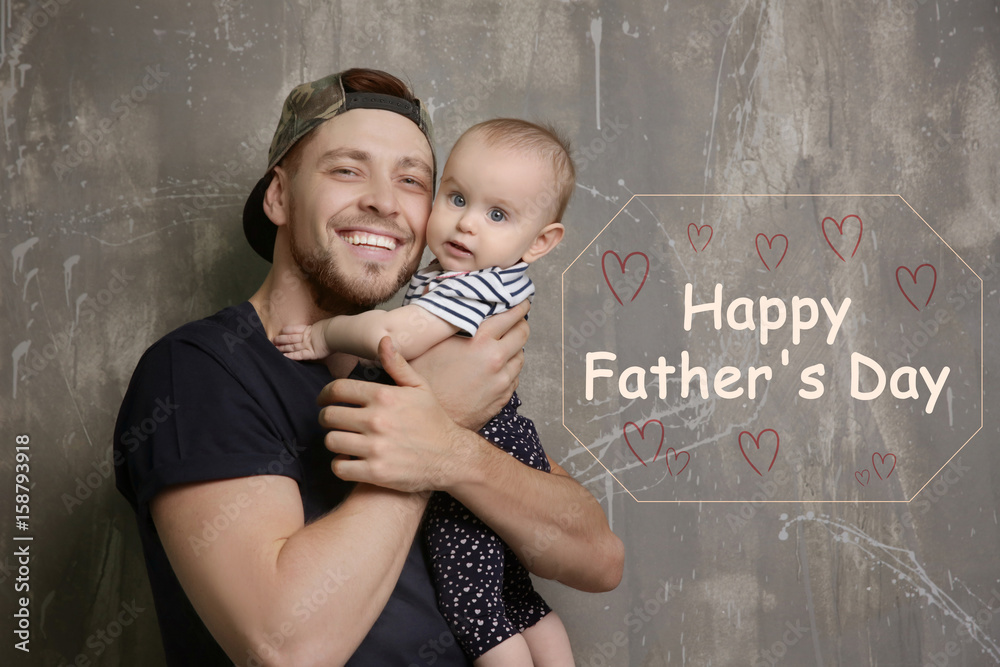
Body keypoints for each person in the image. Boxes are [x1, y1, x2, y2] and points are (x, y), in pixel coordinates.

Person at [114, 68, 623, 666]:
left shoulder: (430, 362)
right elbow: (285, 648)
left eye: (413, 180)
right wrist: (431, 433)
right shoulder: (197, 374)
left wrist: (453, 450)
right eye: (347, 169)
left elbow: (597, 557)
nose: (384, 200)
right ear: (278, 196)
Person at [274, 118, 574, 665]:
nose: (465, 224)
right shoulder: (477, 276)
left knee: (475, 606)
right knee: (516, 597)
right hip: (507, 437)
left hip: (489, 439)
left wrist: (323, 334)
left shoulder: (470, 284)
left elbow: (391, 336)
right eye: (456, 197)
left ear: (541, 242)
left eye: (498, 214)